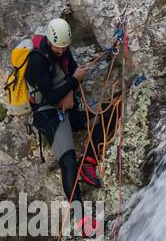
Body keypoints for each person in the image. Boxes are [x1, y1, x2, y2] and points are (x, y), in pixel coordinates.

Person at [24, 18, 112, 208]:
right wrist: (72, 83)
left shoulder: (63, 52)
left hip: (66, 109)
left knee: (105, 116)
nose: (62, 51)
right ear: (49, 41)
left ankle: (88, 162)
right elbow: (53, 96)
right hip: (47, 114)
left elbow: (72, 73)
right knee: (68, 162)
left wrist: (70, 90)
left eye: (64, 47)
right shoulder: (37, 61)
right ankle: (81, 219)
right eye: (58, 47)